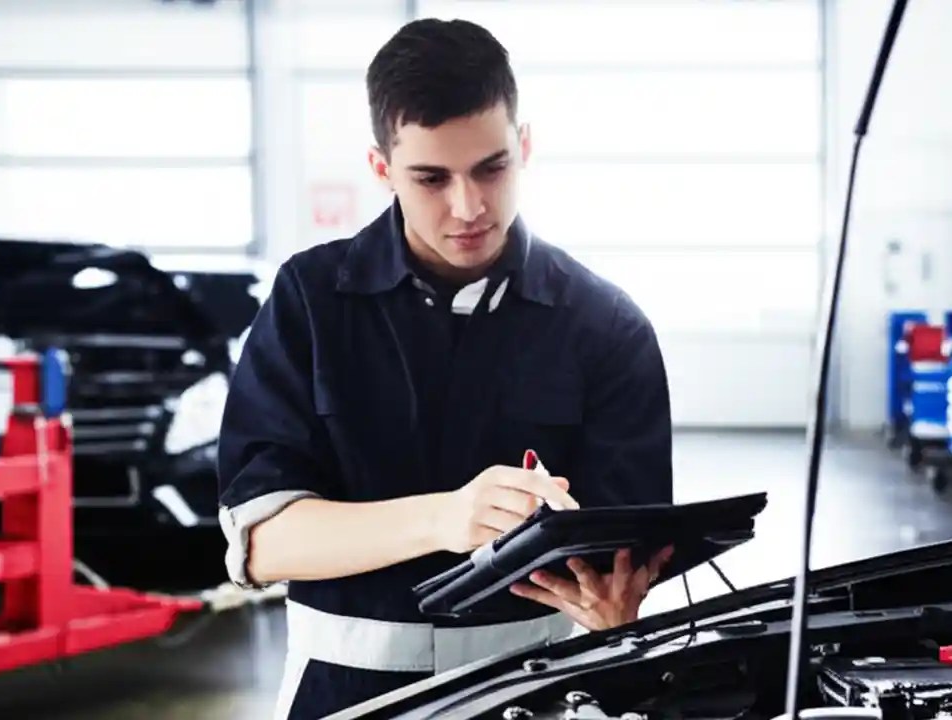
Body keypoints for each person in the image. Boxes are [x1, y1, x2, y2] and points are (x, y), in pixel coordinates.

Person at [215, 17, 675, 720]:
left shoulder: (606, 325)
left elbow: (628, 554)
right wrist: (445, 520)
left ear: (524, 146)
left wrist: (615, 609)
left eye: (492, 168)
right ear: (381, 169)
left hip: (545, 688)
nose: (470, 207)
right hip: (343, 693)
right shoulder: (309, 303)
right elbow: (263, 545)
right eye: (431, 178)